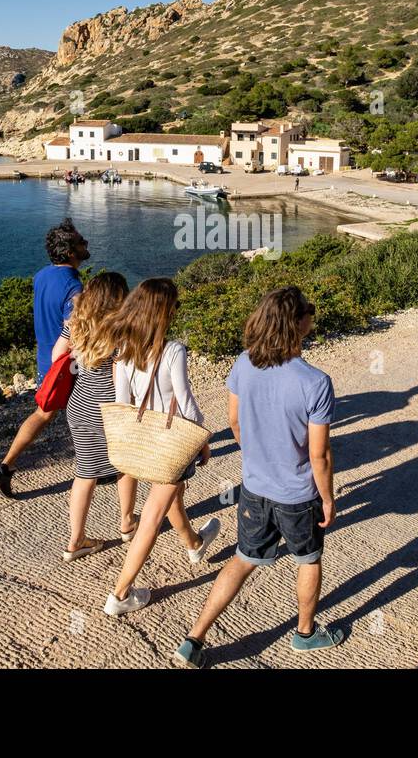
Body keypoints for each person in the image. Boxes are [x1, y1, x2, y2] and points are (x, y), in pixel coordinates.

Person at [173, 286, 341, 666]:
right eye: (308, 312)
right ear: (298, 323)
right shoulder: (315, 382)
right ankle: (305, 634)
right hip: (296, 494)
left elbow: (234, 422)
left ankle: (194, 638)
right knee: (309, 560)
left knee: (243, 559)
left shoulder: (243, 363)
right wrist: (327, 498)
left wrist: (258, 452)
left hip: (253, 487)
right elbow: (319, 454)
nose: (311, 317)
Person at [102, 278, 219, 616]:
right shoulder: (173, 351)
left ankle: (195, 544)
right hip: (170, 444)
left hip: (142, 443)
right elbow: (186, 404)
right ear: (163, 313)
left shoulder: (122, 352)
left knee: (171, 496)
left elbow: (123, 403)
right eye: (173, 307)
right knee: (153, 517)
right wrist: (203, 438)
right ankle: (121, 593)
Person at [0, 219, 90, 500]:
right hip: (68, 364)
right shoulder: (74, 288)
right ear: (70, 251)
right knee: (95, 409)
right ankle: (99, 468)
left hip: (45, 360)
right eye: (82, 242)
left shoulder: (41, 275)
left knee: (44, 414)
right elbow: (73, 330)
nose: (86, 245)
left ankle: (4, 469)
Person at [53, 271, 139, 560]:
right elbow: (121, 376)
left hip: (79, 407)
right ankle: (127, 523)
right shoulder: (122, 327)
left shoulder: (75, 323)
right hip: (110, 408)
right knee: (125, 467)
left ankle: (76, 541)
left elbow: (56, 357)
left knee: (85, 473)